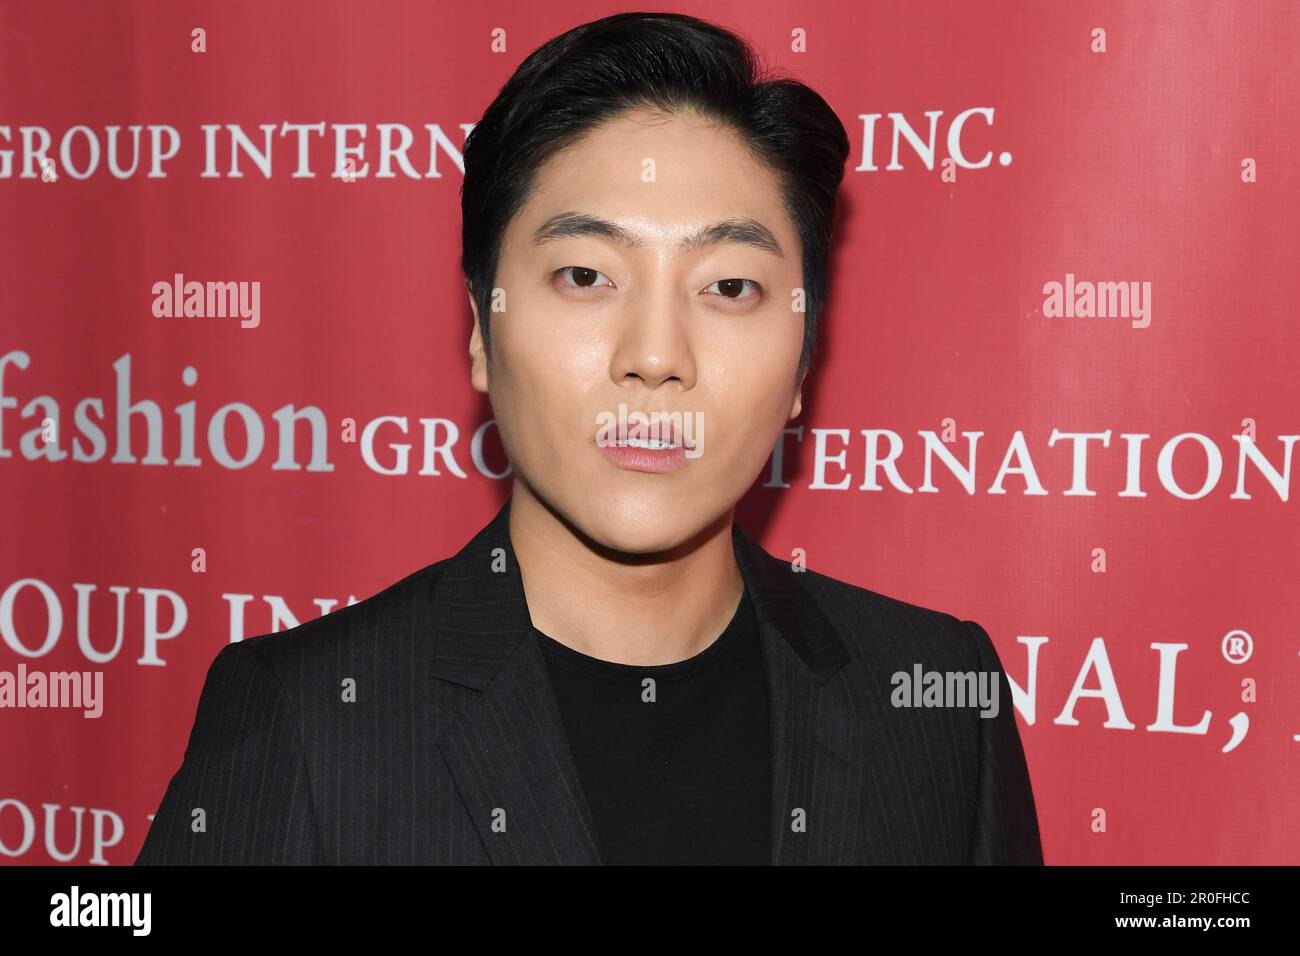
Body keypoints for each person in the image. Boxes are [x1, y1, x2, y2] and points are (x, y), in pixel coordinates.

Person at [135, 11, 1042, 866]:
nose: (655, 356)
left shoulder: (936, 698)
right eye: (584, 275)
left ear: (804, 361)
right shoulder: (308, 720)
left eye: (729, 288)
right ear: (482, 333)